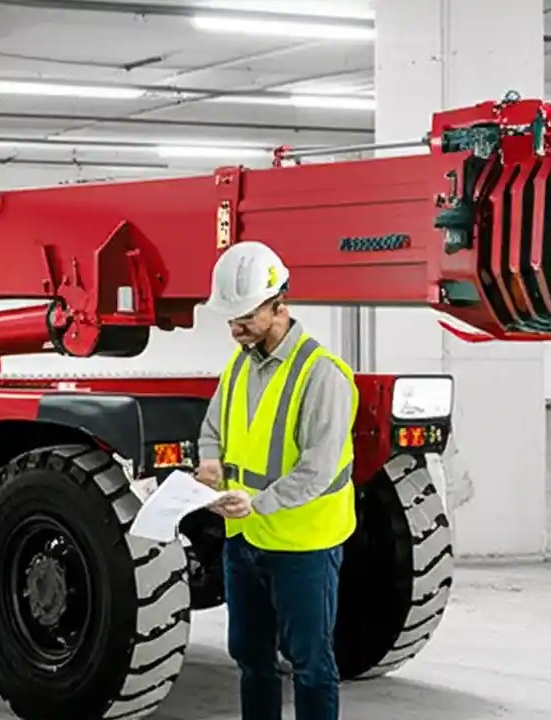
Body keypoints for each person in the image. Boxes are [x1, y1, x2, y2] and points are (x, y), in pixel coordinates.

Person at [194, 240, 359, 720]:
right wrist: (210, 464)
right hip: (243, 540)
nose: (235, 328)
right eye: (230, 319)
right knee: (250, 660)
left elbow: (318, 470)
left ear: (279, 305)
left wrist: (257, 504)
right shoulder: (238, 366)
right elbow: (212, 430)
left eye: (244, 317)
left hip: (303, 544)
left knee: (310, 664)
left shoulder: (321, 374)